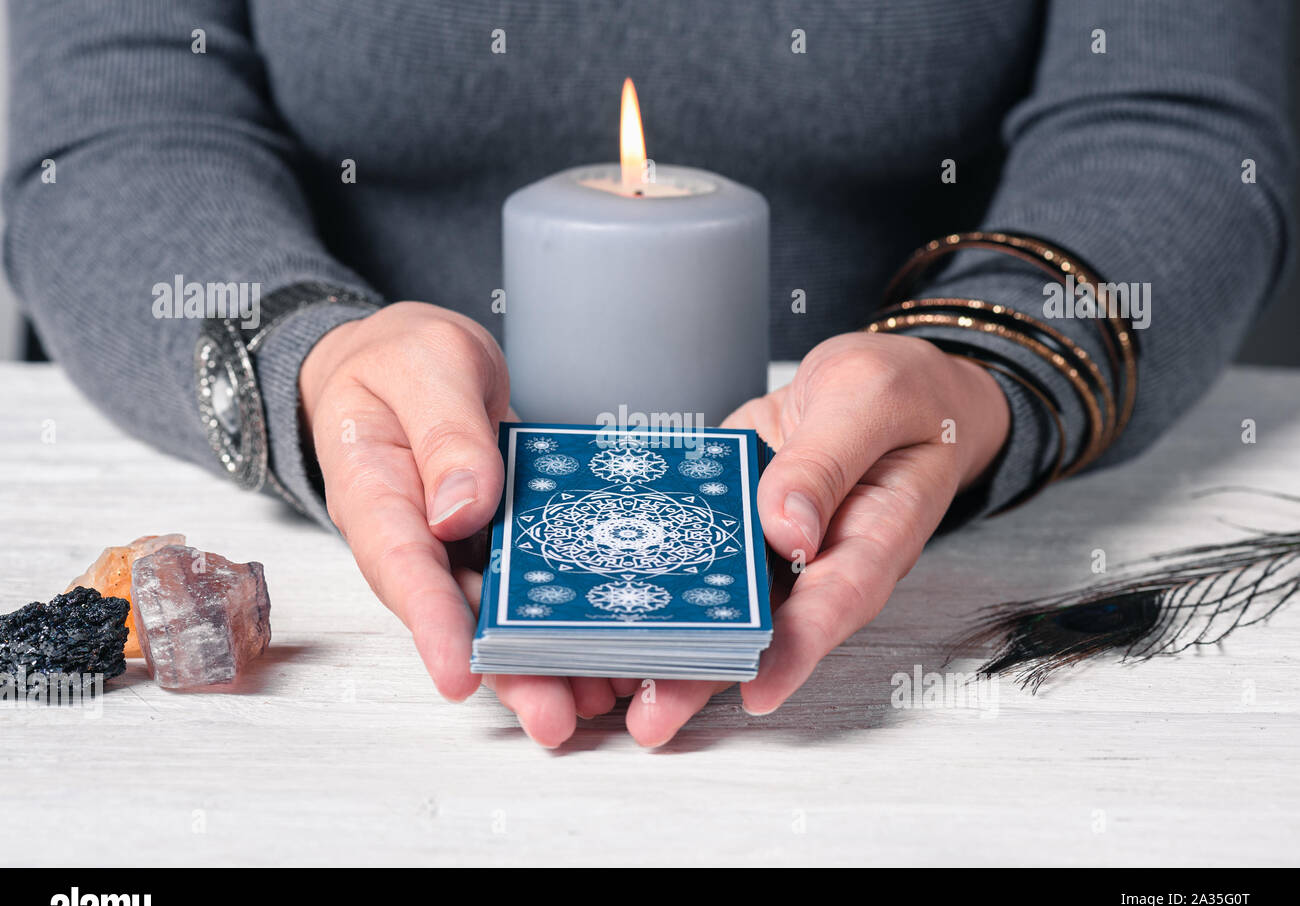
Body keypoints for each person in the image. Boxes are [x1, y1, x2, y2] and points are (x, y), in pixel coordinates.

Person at [5, 1, 1293, 747]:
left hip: (887, 452)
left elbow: (1173, 113)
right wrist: (313, 360)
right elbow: (117, 119)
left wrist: (982, 369)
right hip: (373, 448)